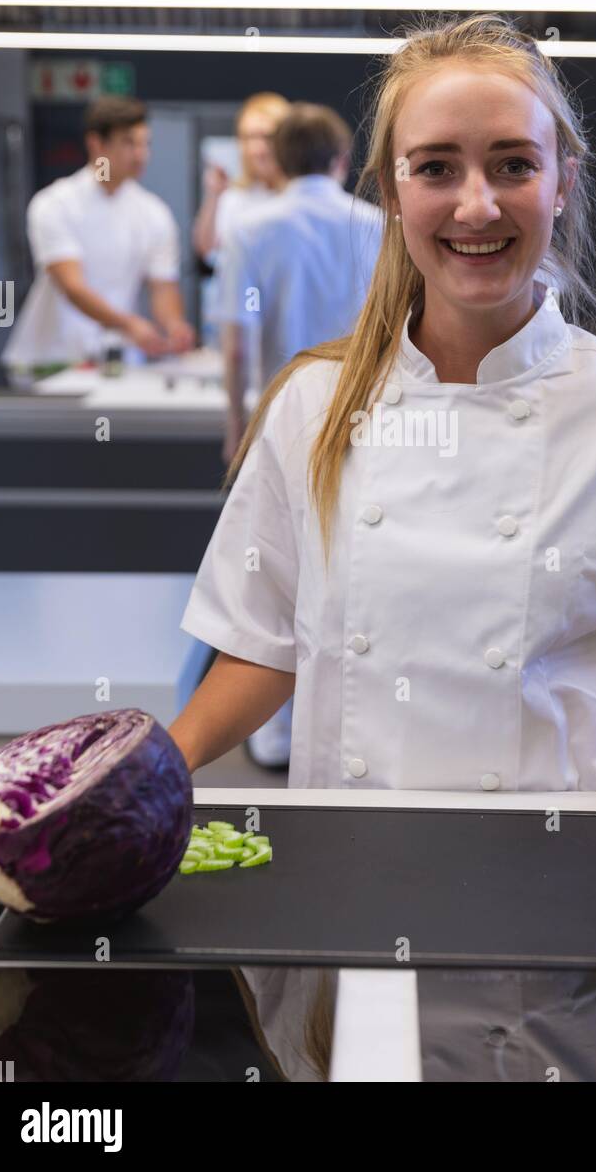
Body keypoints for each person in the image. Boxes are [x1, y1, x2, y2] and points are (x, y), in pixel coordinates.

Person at [171, 14, 596, 800]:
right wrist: (155, 762)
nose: (476, 207)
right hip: (351, 854)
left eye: (512, 165)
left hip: (565, 859)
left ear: (562, 181)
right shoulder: (312, 407)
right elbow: (261, 644)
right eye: (434, 168)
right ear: (391, 192)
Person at [215, 102, 383, 768]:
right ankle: (349, 733)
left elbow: (236, 342)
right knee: (350, 578)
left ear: (277, 162)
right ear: (342, 161)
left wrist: (235, 427)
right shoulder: (377, 226)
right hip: (371, 416)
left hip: (280, 419)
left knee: (273, 580)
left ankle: (276, 731)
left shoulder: (251, 228)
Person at [2, 96, 194, 368]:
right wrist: (129, 324)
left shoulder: (154, 213)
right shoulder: (55, 204)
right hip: (49, 360)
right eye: (129, 143)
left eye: (145, 143)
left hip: (116, 362)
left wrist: (174, 326)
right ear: (96, 144)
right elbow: (73, 287)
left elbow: (163, 286)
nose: (141, 154)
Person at [191, 91, 290, 268]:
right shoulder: (233, 198)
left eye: (266, 137)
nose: (257, 149)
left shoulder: (299, 196)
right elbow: (206, 251)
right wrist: (213, 197)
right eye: (248, 138)